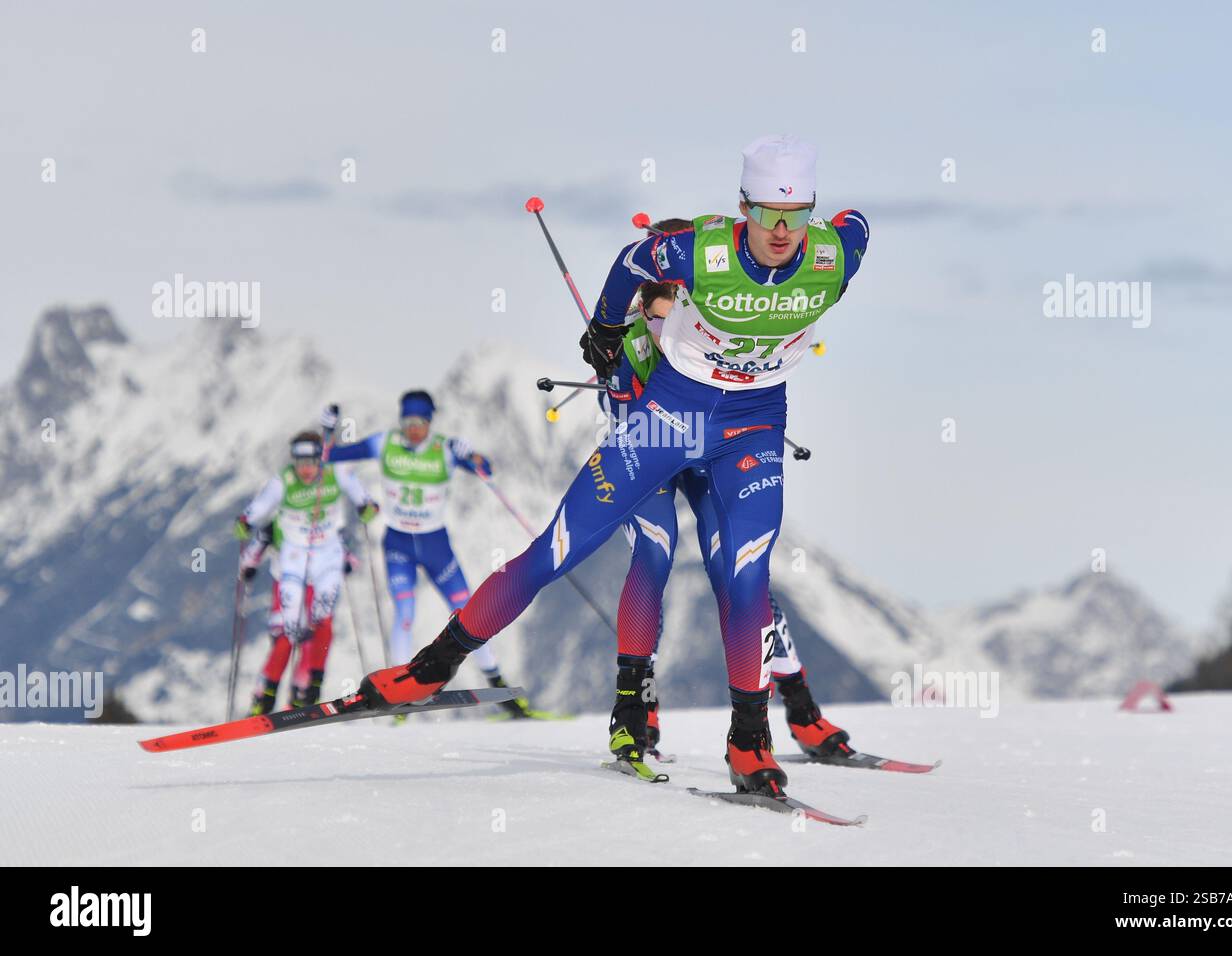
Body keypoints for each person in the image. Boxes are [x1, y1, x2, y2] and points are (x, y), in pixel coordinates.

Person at [358, 135, 869, 795]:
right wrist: (604, 328)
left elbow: (856, 227)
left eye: (795, 215)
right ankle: (433, 666)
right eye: (766, 213)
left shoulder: (835, 255)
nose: (780, 231)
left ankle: (750, 742)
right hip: (667, 420)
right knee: (560, 551)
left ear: (811, 215)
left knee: (744, 580)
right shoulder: (698, 255)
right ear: (742, 207)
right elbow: (633, 259)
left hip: (752, 429)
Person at [605, 270, 852, 770]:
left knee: (741, 573)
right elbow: (625, 420)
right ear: (642, 309)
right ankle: (636, 707)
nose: (667, 332)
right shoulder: (629, 345)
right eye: (657, 319)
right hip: (649, 453)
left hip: (707, 461)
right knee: (654, 552)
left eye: (679, 317)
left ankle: (800, 709)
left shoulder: (720, 331)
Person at [326, 391, 535, 718]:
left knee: (468, 612)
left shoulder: (445, 450)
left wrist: (472, 455)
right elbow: (334, 458)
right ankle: (398, 693)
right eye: (408, 422)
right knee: (404, 614)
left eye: (420, 423)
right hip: (398, 544)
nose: (413, 429)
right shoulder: (385, 443)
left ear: (429, 422)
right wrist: (360, 495)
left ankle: (502, 690)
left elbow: (486, 470)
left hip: (436, 545)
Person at [235, 431, 378, 713]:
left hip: (321, 574)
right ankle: (263, 699)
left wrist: (367, 508)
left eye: (311, 462)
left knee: (318, 630)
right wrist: (246, 533)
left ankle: (306, 692)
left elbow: (354, 512)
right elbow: (258, 520)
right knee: (287, 636)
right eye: (299, 462)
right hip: (289, 574)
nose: (305, 469)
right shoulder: (283, 484)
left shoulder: (334, 475)